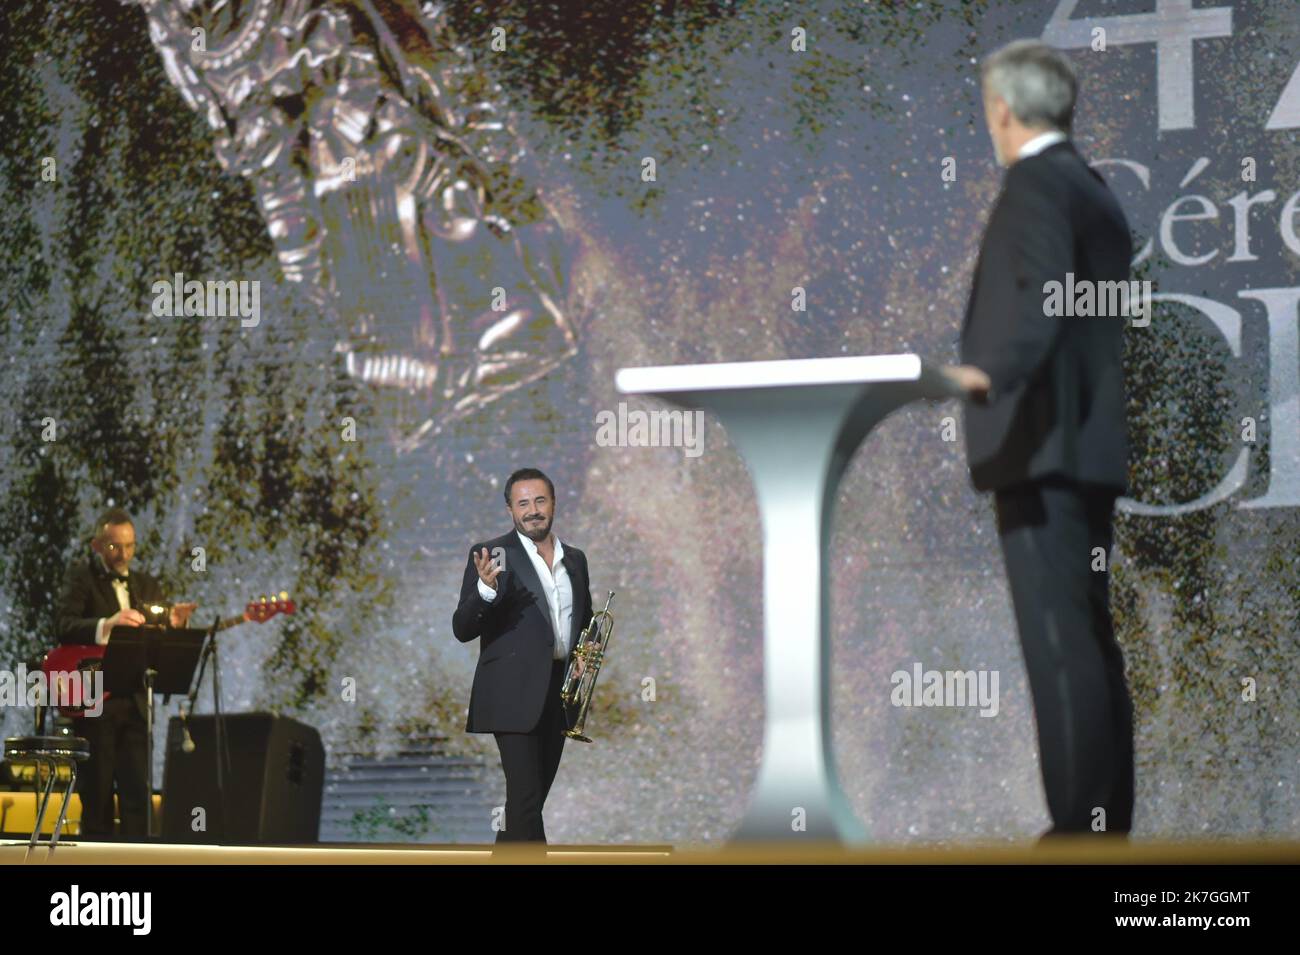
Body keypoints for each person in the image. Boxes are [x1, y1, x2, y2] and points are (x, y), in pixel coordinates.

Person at [944, 39, 1135, 838]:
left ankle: (1078, 832)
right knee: (1087, 639)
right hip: (1081, 449)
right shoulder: (1094, 188)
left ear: (1002, 109)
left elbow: (1045, 296)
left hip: (1040, 443)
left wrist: (986, 372)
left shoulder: (1033, 184)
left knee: (1061, 645)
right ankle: (1100, 820)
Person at [452, 468, 594, 844]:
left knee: (524, 806)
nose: (533, 510)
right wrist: (484, 589)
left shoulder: (576, 560)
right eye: (523, 503)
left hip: (560, 694)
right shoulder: (492, 554)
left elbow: (586, 619)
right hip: (511, 694)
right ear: (510, 509)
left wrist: (586, 649)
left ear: (553, 503)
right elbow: (463, 629)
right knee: (527, 801)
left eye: (540, 501)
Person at [55, 508, 196, 837]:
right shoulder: (81, 578)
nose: (124, 554)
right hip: (95, 701)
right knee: (98, 792)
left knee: (138, 792)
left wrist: (173, 623)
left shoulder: (145, 584)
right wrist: (109, 625)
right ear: (96, 545)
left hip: (134, 700)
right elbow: (64, 625)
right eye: (115, 547)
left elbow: (157, 637)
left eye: (130, 546)